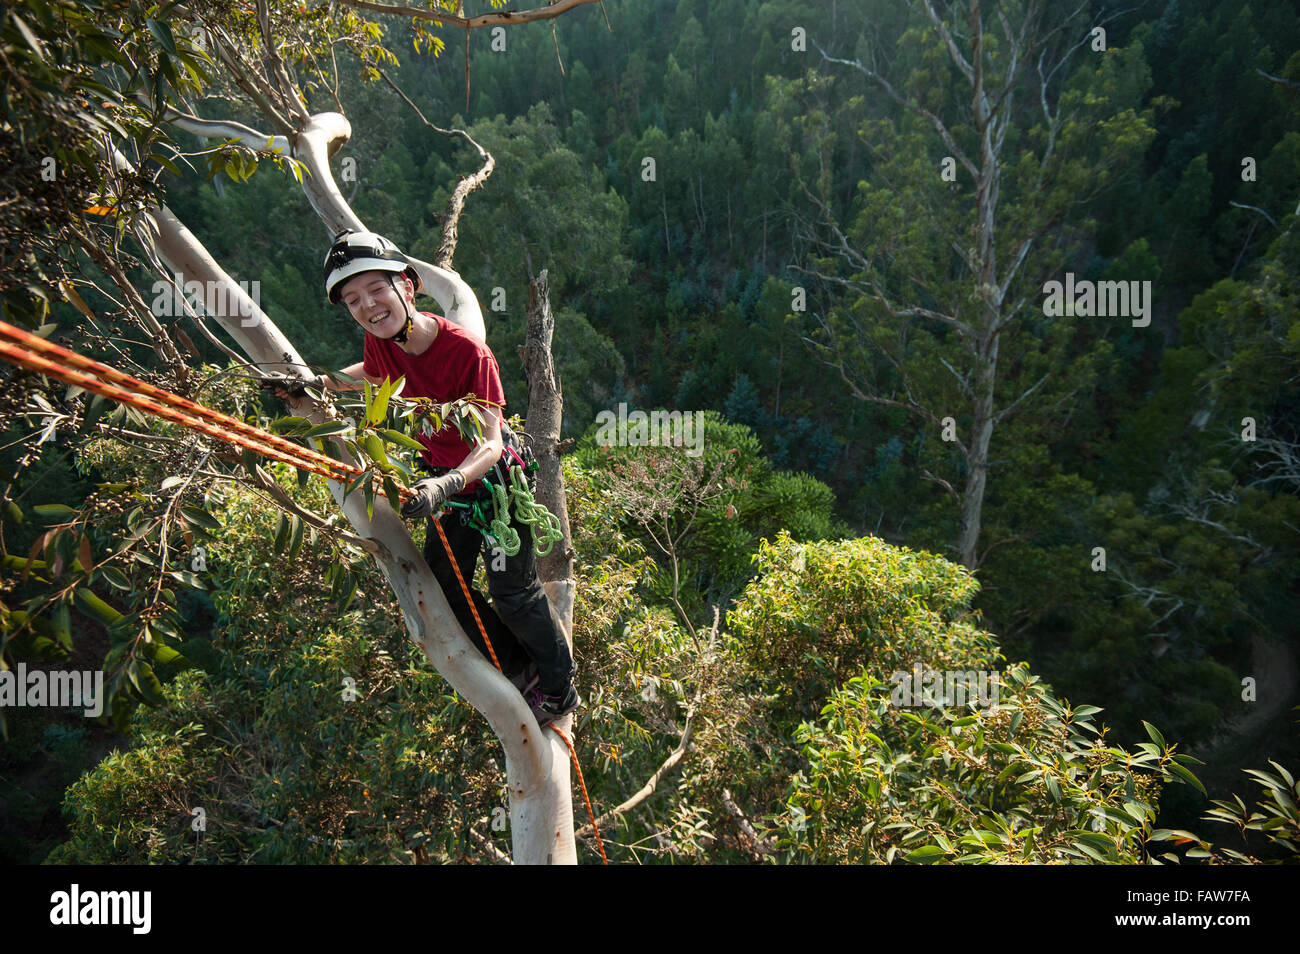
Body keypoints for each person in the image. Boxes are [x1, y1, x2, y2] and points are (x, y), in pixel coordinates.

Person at [264, 229, 579, 727]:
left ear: (408, 288)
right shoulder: (382, 341)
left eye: (376, 289)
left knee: (512, 593)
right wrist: (315, 385)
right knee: (445, 588)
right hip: (447, 491)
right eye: (352, 299)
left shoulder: (467, 353)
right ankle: (524, 673)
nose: (367, 306)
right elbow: (372, 371)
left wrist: (445, 485)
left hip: (492, 489)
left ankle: (561, 688)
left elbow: (491, 443)